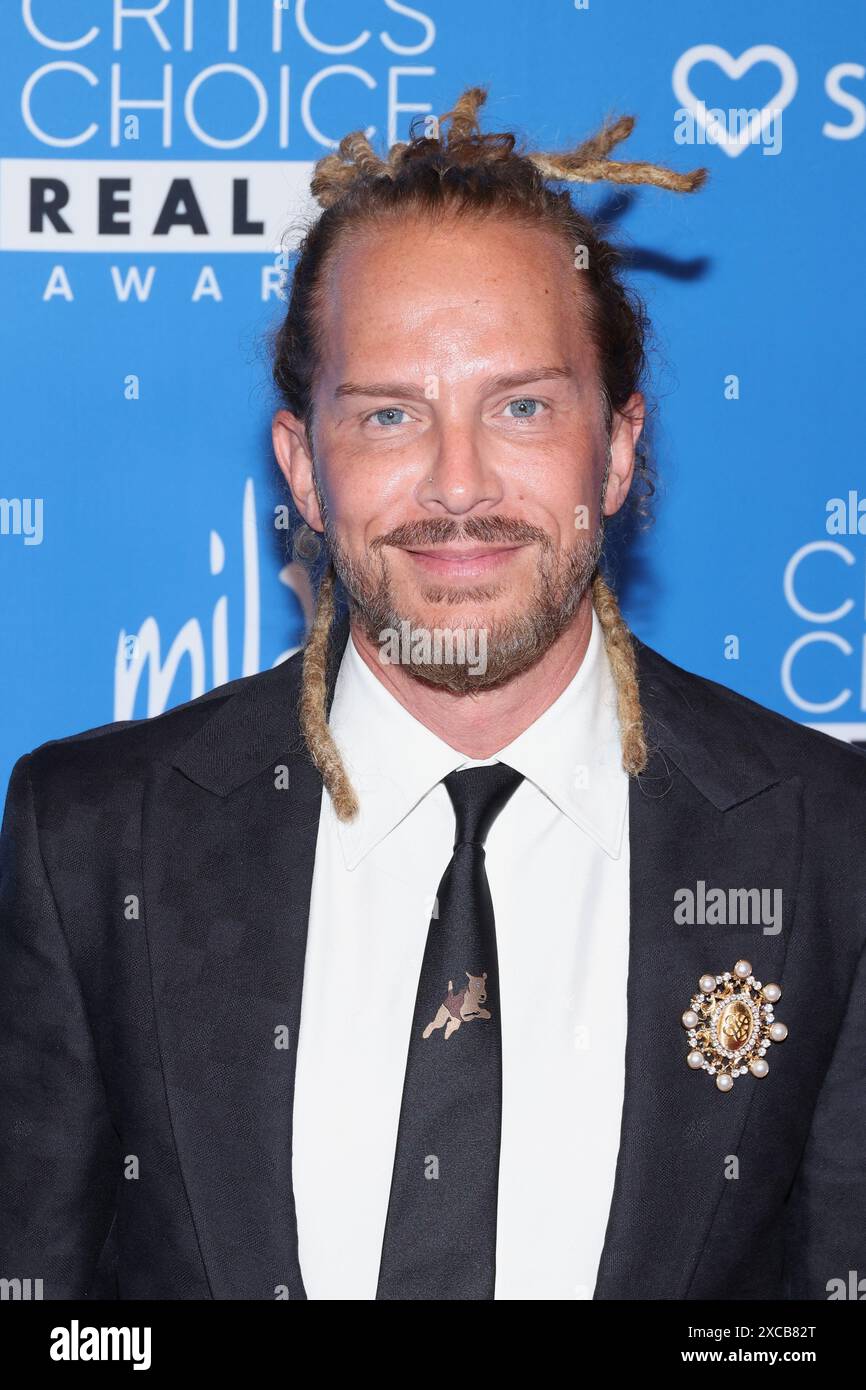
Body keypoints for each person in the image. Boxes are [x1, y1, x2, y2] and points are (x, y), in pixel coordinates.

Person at [1, 87, 864, 1302]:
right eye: (389, 413)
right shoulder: (90, 839)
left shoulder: (828, 846)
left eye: (519, 406)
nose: (457, 486)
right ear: (301, 466)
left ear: (617, 448)